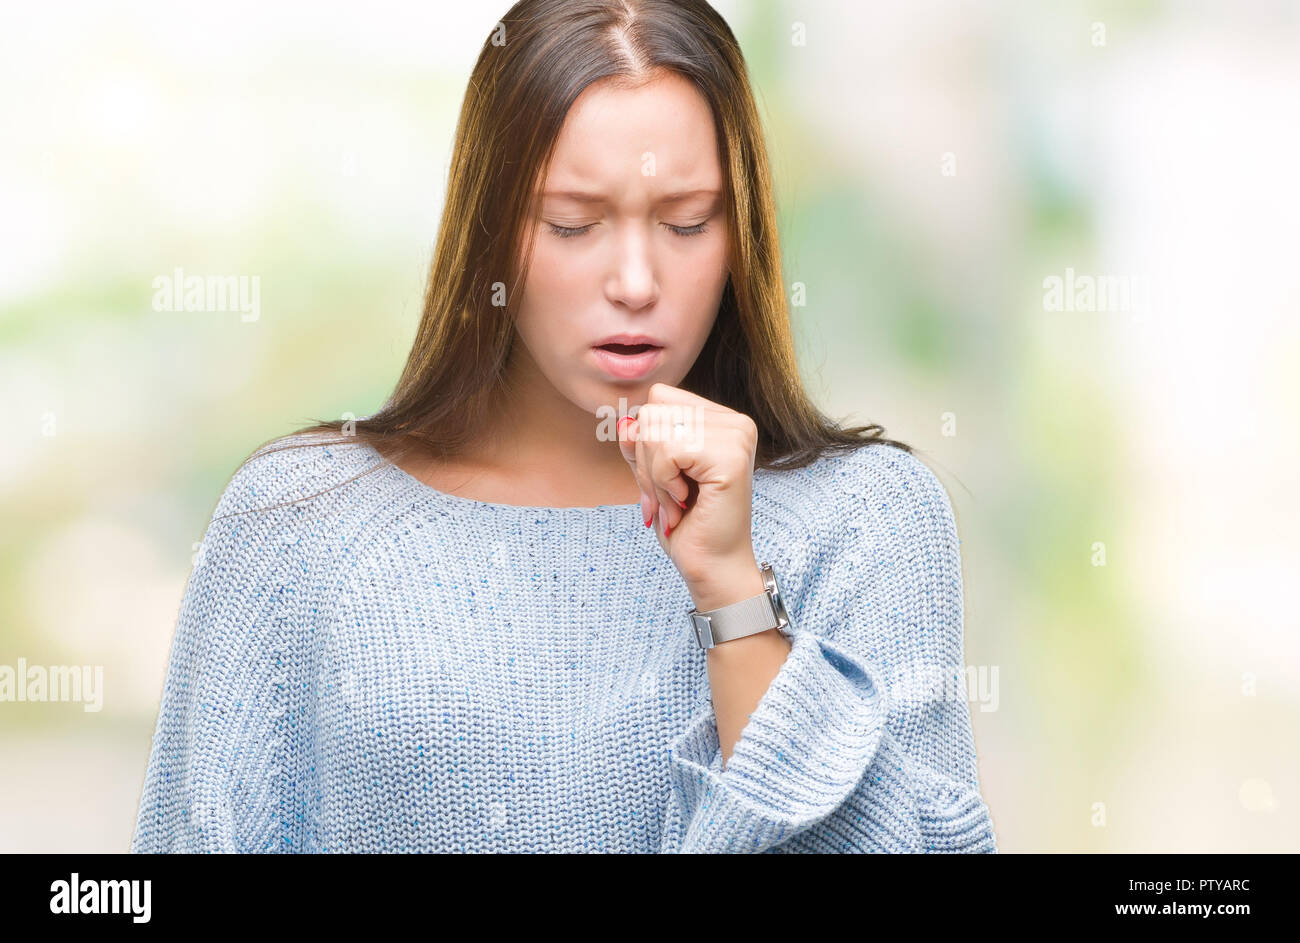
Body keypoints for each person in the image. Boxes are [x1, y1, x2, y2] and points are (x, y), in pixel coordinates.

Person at [129, 0, 997, 853]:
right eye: (574, 224)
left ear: (742, 235)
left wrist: (733, 593)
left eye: (687, 221)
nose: (634, 280)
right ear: (490, 233)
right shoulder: (300, 521)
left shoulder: (869, 519)